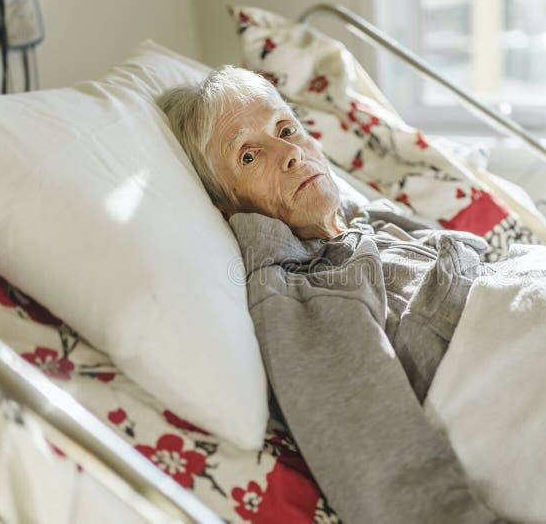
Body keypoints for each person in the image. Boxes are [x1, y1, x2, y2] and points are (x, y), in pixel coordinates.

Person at [160, 66, 505, 524]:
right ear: (225, 206)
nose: (289, 153)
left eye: (286, 129)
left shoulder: (368, 224)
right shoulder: (303, 289)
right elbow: (387, 469)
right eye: (248, 156)